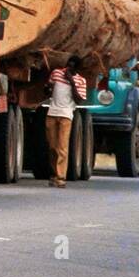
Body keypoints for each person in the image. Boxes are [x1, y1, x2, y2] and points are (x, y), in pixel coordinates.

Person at [44, 56, 88, 188]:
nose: (68, 68)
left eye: (72, 66)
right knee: (52, 146)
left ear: (77, 69)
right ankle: (53, 174)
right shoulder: (56, 73)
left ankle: (61, 177)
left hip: (66, 115)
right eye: (68, 65)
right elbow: (48, 90)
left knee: (62, 147)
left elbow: (79, 100)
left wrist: (72, 82)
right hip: (52, 113)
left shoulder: (80, 81)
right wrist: (48, 88)